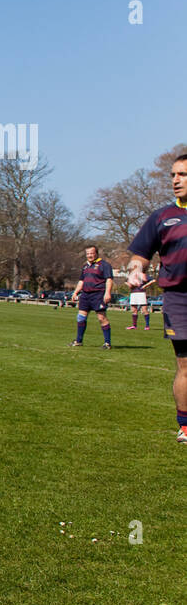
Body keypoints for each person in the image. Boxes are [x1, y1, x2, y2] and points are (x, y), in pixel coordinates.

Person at [126, 152, 187, 442]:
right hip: (179, 299)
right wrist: (136, 269)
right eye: (173, 175)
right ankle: (185, 426)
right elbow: (140, 255)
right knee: (186, 365)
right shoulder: (162, 217)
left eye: (182, 175)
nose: (176, 180)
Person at [70, 245, 113, 349]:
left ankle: (107, 343)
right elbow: (81, 281)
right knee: (80, 318)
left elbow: (109, 279)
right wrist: (75, 292)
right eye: (88, 253)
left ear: (96, 253)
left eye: (91, 253)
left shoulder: (104, 265)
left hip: (98, 295)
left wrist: (107, 293)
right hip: (85, 295)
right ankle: (78, 341)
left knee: (102, 318)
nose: (89, 255)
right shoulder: (85, 266)